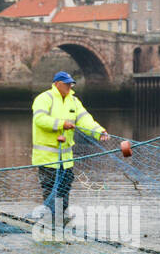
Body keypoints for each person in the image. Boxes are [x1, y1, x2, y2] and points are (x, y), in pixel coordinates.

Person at [31, 71, 109, 229]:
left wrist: (99, 131)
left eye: (71, 84)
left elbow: (85, 119)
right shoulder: (44, 98)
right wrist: (61, 124)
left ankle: (62, 217)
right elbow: (40, 120)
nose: (69, 86)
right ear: (57, 83)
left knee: (65, 187)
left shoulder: (74, 101)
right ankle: (51, 220)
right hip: (47, 158)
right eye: (67, 84)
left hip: (66, 160)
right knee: (51, 188)